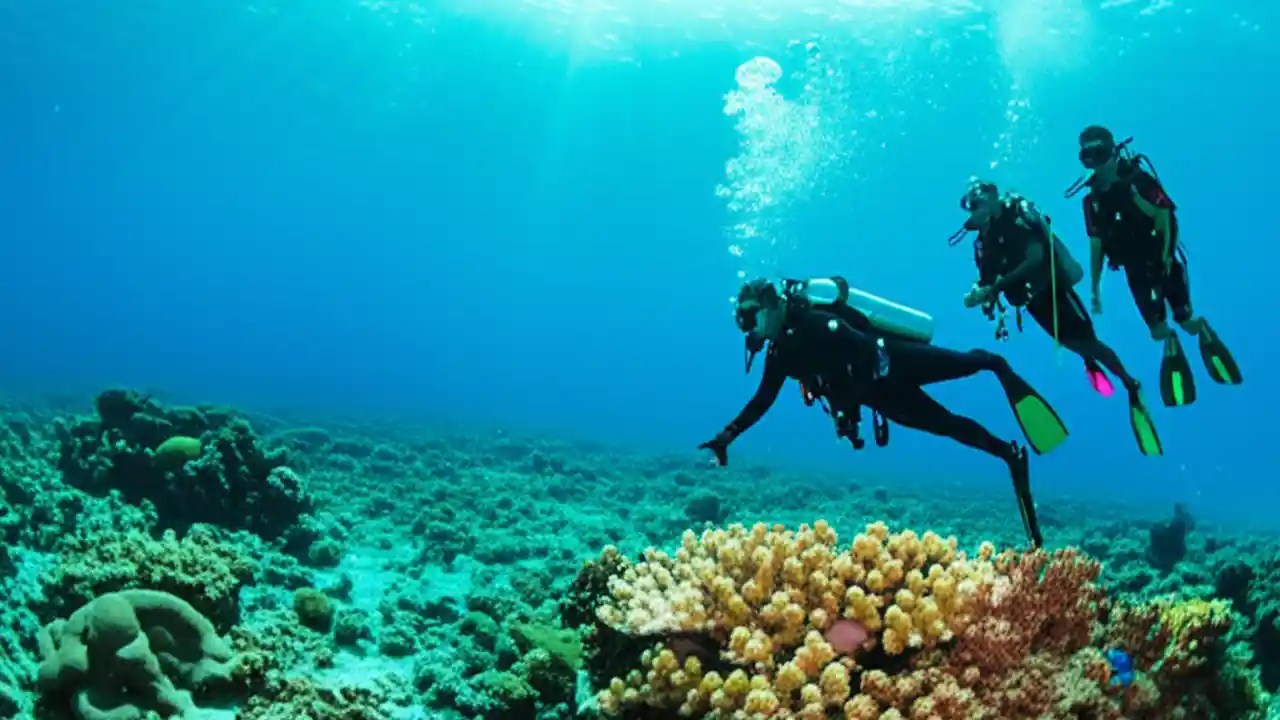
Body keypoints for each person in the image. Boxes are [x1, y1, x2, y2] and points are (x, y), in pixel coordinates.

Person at [698, 276, 1071, 548]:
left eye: (749, 318)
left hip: (896, 360)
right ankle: (1008, 453)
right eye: (741, 321)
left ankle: (997, 364)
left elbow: (857, 344)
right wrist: (726, 437)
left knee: (966, 364)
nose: (747, 328)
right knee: (947, 426)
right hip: (881, 395)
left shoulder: (815, 323)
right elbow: (762, 399)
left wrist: (849, 404)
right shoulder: (780, 356)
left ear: (771, 305)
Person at [955, 178, 1163, 456]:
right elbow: (988, 279)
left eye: (977, 203)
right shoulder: (984, 242)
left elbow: (1036, 257)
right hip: (1033, 302)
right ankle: (1089, 361)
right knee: (1071, 342)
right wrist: (981, 294)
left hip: (1053, 290)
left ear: (992, 197)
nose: (974, 211)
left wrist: (996, 288)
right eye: (969, 207)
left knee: (1088, 341)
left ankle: (1129, 382)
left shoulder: (1016, 220)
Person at [1073, 125, 1242, 407]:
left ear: (1112, 152)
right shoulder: (1091, 201)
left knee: (1185, 320)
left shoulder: (1138, 180)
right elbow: (1096, 245)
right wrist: (1094, 288)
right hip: (1134, 269)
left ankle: (1199, 329)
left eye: (1098, 152)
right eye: (1087, 155)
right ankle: (1171, 342)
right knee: (1157, 329)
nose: (1094, 161)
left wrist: (1164, 257)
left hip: (1162, 261)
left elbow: (1164, 216)